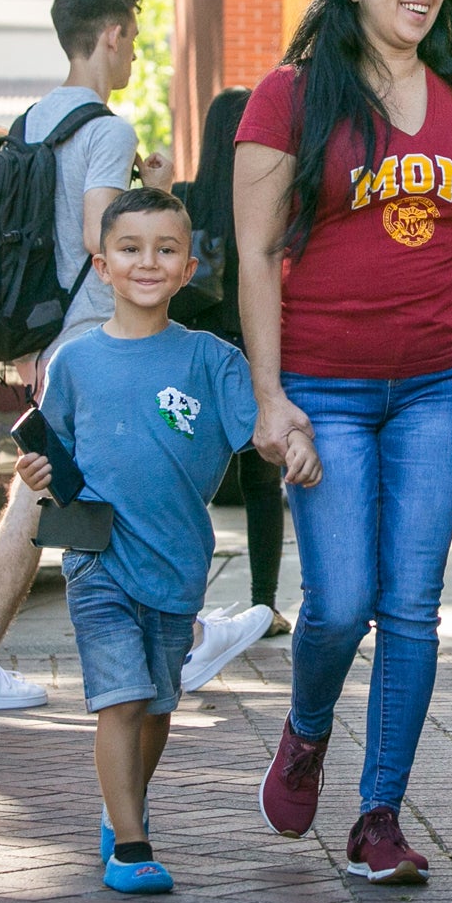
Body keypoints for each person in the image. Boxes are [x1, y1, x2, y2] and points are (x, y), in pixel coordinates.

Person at [235, 0, 452, 885]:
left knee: (412, 608)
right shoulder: (290, 96)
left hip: (438, 379)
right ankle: (305, 728)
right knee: (339, 602)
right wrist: (270, 396)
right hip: (323, 382)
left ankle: (380, 815)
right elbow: (251, 254)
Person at [0, 0, 267, 712]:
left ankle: (170, 637)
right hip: (90, 332)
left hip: (40, 334)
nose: (133, 59)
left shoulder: (30, 120)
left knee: (81, 484)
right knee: (62, 489)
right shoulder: (105, 126)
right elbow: (96, 233)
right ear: (112, 35)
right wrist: (155, 192)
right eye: (134, 41)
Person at [14, 186, 320, 895]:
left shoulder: (211, 361)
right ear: (102, 266)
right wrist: (39, 473)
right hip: (97, 557)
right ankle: (130, 842)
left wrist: (296, 445)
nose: (147, 262)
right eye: (130, 248)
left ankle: (122, 801)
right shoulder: (75, 363)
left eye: (165, 249)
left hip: (178, 564)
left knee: (156, 705)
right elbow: (53, 454)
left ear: (189, 269)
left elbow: (264, 431)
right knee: (120, 699)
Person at [171, 88, 292, 635]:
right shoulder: (268, 201)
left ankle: (183, 605)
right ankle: (263, 604)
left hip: (193, 356)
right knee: (263, 487)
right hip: (254, 351)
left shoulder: (182, 200)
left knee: (188, 487)